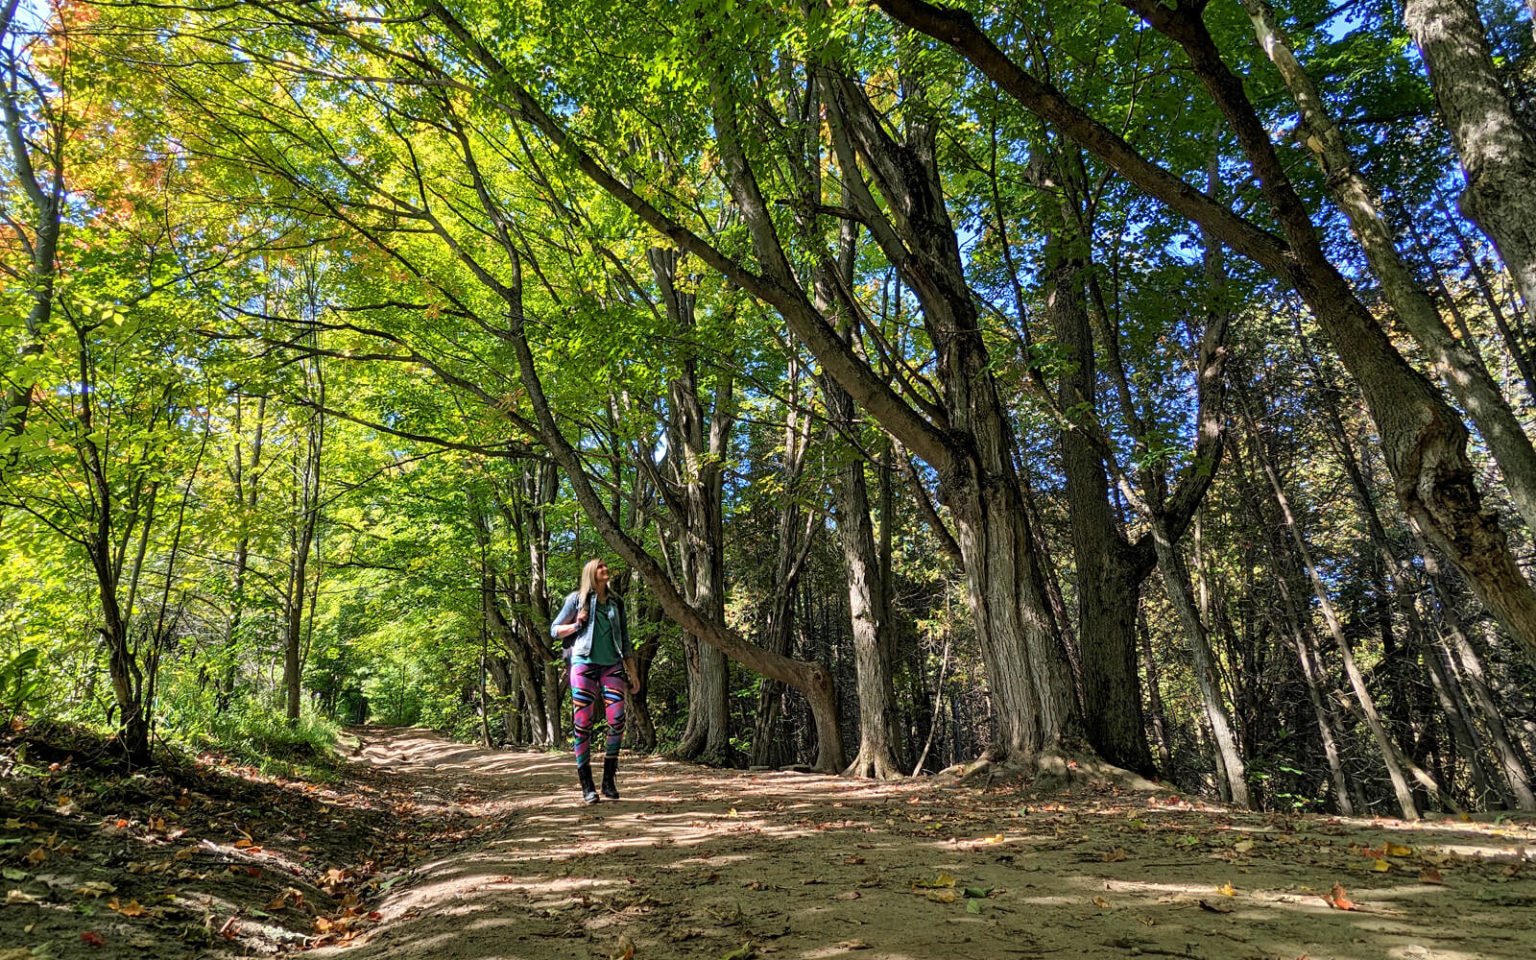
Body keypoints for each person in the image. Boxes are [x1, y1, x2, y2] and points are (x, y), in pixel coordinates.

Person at [550, 557, 634, 805]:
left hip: (612, 666)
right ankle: (587, 784)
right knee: (582, 721)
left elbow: (626, 640)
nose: (605, 570)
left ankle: (608, 781)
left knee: (617, 719)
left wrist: (634, 673)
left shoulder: (616, 602)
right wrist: (577, 624)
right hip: (583, 665)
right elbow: (554, 630)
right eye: (601, 567)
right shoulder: (576, 600)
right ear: (591, 572)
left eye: (606, 566)